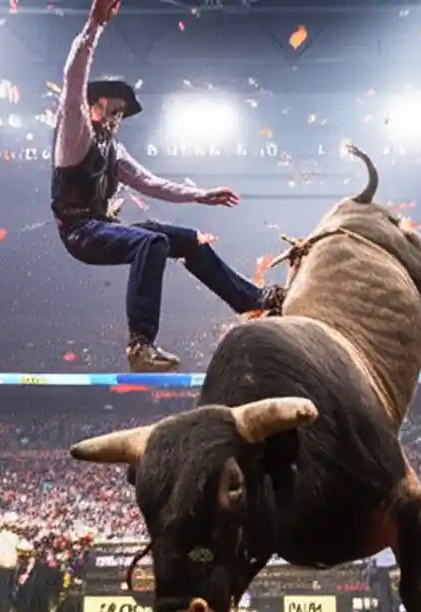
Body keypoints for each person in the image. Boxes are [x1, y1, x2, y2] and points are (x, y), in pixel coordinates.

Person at [51, 0, 285, 372]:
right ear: (94, 106)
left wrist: (200, 195)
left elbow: (149, 182)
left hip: (102, 227)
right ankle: (140, 344)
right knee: (153, 242)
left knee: (189, 240)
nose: (118, 117)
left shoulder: (114, 149)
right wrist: (94, 26)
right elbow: (73, 77)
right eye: (114, 109)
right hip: (79, 232)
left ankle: (252, 299)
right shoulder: (75, 132)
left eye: (122, 114)